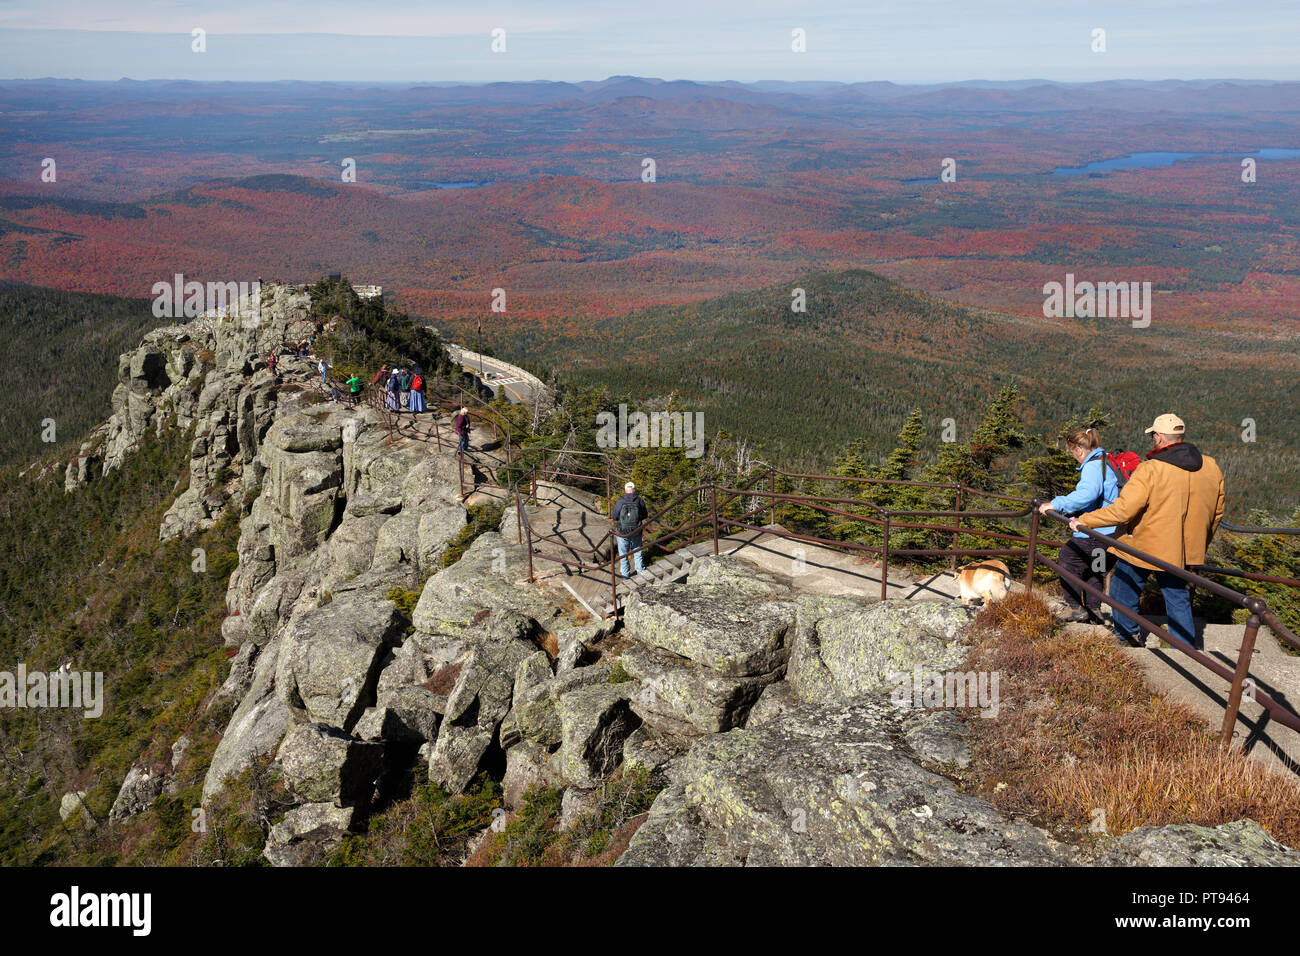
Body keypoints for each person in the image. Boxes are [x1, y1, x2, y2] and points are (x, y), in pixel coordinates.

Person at [1072, 414, 1225, 650]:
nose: (1152, 439)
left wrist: (1085, 520)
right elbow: (1217, 512)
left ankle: (1127, 636)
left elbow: (1123, 511)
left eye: (1153, 435)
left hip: (1145, 546)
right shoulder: (1210, 467)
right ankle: (1183, 649)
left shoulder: (1150, 469)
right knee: (1177, 596)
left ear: (1160, 437)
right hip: (1181, 551)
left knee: (1123, 587)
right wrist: (1198, 545)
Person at [1038, 426, 1120, 623]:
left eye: (1072, 452)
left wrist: (1055, 504)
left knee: (1068, 558)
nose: (1074, 456)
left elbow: (1087, 494)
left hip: (1094, 531)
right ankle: (1094, 609)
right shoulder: (1104, 462)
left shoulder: (1092, 466)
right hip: (1109, 533)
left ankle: (1075, 608)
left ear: (1079, 450)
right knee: (1095, 568)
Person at [612, 481, 649, 579]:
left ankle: (625, 576)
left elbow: (614, 516)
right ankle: (640, 571)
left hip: (622, 532)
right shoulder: (639, 500)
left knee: (623, 553)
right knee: (637, 550)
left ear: (625, 490)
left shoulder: (620, 501)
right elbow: (645, 515)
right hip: (636, 530)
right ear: (634, 490)